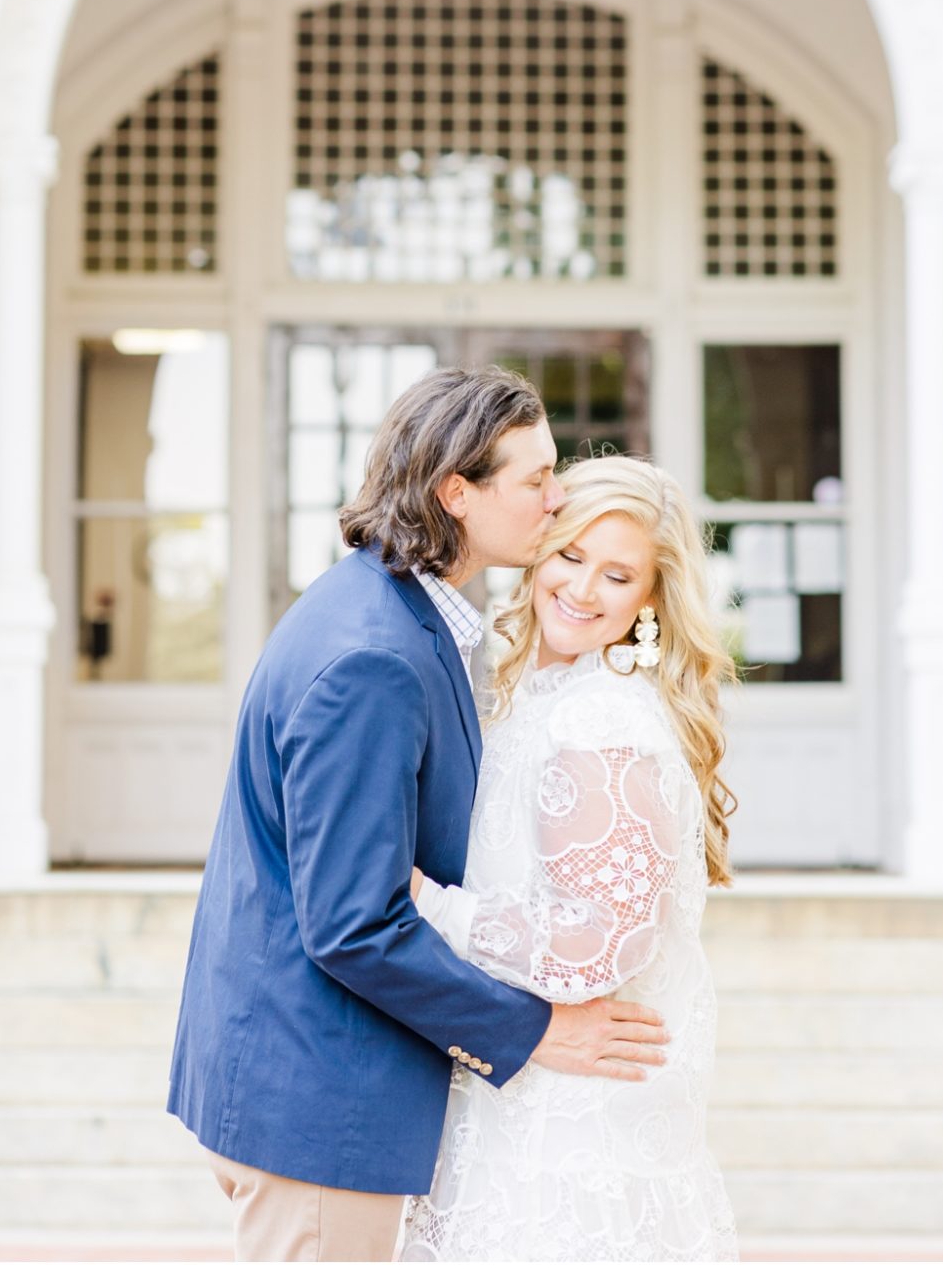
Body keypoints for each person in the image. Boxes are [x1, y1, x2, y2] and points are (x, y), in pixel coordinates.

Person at [167, 368, 669, 1264]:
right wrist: (538, 1030)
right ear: (456, 493)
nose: (556, 501)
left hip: (315, 1090)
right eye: (535, 479)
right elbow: (355, 926)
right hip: (318, 1104)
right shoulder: (375, 656)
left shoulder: (394, 612)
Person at [401, 455, 740, 1263]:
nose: (583, 590)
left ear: (651, 599)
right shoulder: (537, 696)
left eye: (618, 575)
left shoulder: (602, 719)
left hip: (574, 1114)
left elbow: (603, 938)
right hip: (528, 1083)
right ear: (537, 552)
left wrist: (429, 904)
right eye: (571, 556)